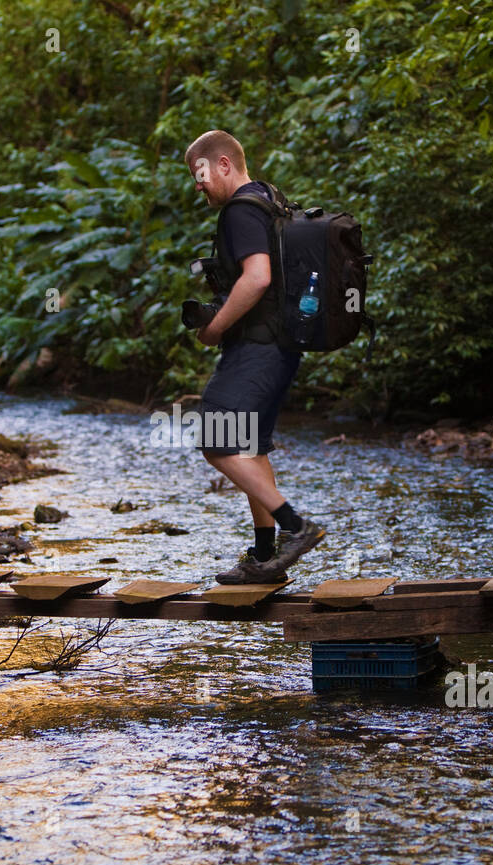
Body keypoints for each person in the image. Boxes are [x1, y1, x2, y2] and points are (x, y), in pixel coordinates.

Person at [183, 129, 325, 584]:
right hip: (280, 347)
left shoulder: (240, 209)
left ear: (224, 164)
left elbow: (258, 277)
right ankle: (265, 557)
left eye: (200, 173)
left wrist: (215, 326)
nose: (197, 184)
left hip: (256, 350)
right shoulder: (269, 199)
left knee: (216, 437)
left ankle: (296, 528)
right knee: (248, 445)